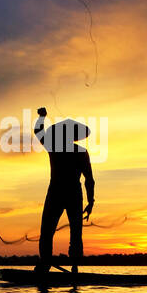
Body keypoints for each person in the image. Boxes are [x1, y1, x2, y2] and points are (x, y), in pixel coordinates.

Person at [33, 106, 94, 274]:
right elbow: (89, 179)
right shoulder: (78, 152)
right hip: (68, 193)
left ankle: (58, 265)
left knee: (51, 230)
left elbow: (38, 132)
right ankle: (63, 266)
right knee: (64, 230)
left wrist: (41, 117)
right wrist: (91, 201)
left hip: (61, 193)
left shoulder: (56, 148)